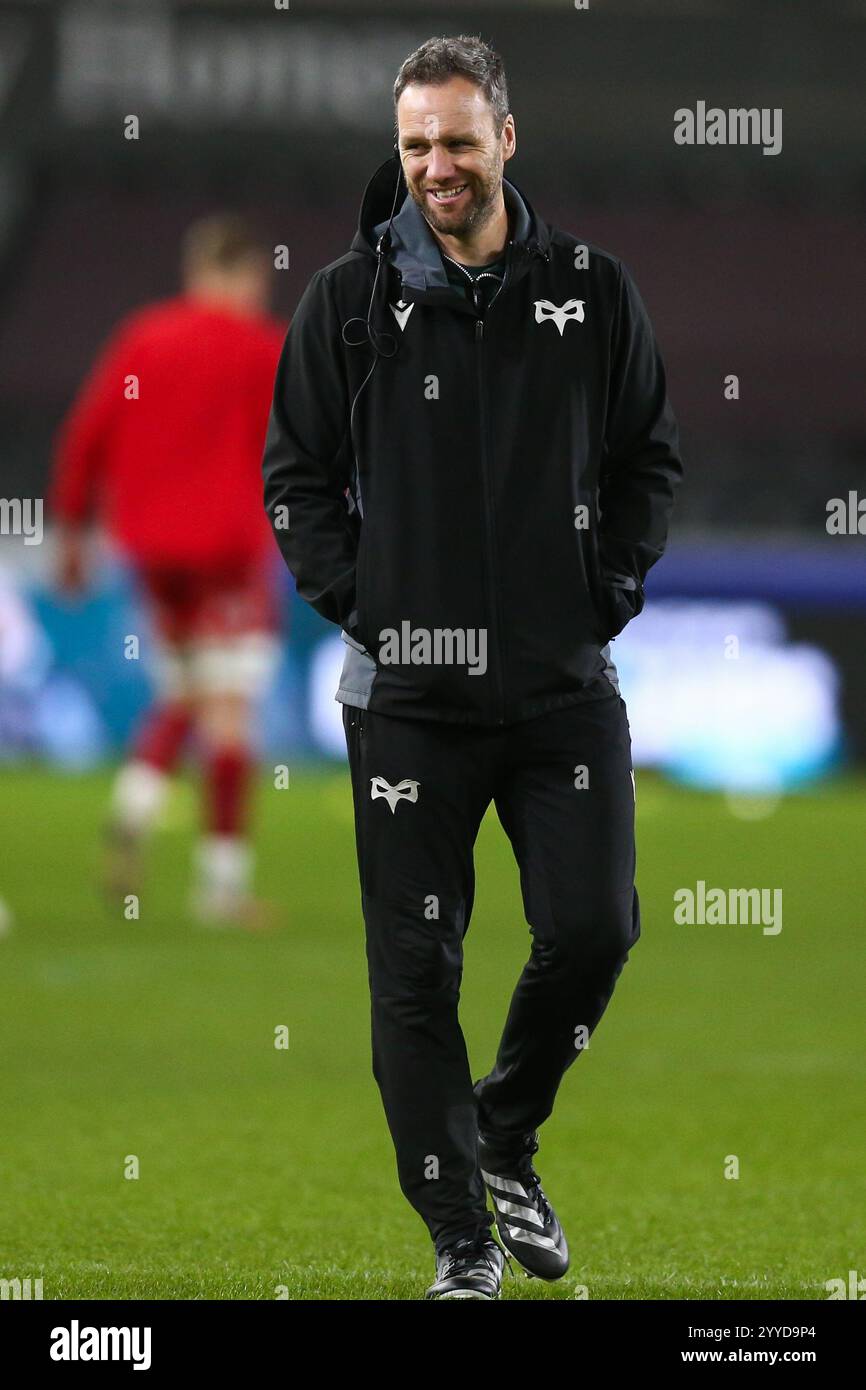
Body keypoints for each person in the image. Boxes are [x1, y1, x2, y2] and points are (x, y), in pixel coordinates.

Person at [263, 35, 682, 1298]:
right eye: (413, 146)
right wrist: (375, 611)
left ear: (506, 135)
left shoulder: (593, 291)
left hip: (560, 689)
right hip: (409, 706)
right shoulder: (342, 304)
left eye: (455, 140)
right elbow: (294, 485)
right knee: (414, 974)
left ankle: (504, 1129)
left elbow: (644, 462)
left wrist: (600, 598)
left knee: (593, 928)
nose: (434, 166)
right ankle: (458, 1241)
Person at [51, 215, 286, 926]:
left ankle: (132, 809)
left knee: (184, 693)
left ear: (193, 271)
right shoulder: (262, 347)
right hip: (227, 551)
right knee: (228, 714)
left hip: (152, 552)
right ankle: (221, 887)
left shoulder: (143, 336)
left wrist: (70, 533)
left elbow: (86, 434)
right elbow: (312, 447)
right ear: (247, 275)